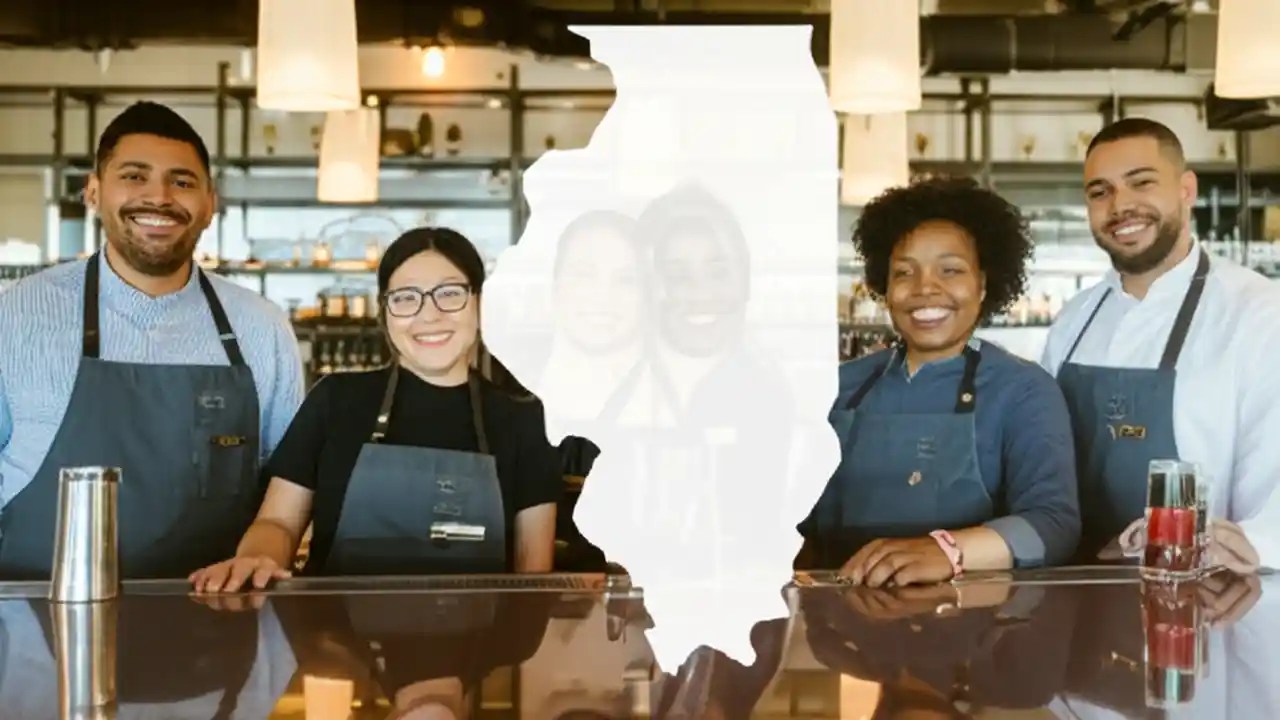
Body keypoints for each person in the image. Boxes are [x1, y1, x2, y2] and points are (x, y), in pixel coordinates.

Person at [0, 101, 304, 579]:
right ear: (94, 192)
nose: (159, 197)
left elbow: (287, 490)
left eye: (182, 182)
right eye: (135, 176)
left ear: (210, 205)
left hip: (215, 625)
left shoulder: (261, 328)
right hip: (32, 622)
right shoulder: (15, 313)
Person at [189, 227, 561, 591]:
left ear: (482, 304)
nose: (429, 315)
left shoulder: (523, 420)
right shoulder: (336, 399)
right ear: (384, 312)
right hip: (333, 649)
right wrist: (259, 558)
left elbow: (531, 581)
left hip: (480, 651)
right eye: (405, 298)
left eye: (449, 294)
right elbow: (278, 523)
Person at [797, 176, 1081, 586]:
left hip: (975, 634)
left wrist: (948, 550)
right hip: (841, 624)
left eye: (950, 270)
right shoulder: (839, 388)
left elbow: (1053, 526)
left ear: (983, 284)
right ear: (884, 288)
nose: (925, 289)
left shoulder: (1023, 391)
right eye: (904, 273)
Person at [1041, 118, 1280, 572]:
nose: (1120, 206)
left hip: (1205, 598)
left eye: (1141, 183)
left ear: (1186, 189)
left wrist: (1252, 545)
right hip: (1076, 593)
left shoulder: (1258, 313)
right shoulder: (1074, 320)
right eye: (1100, 192)